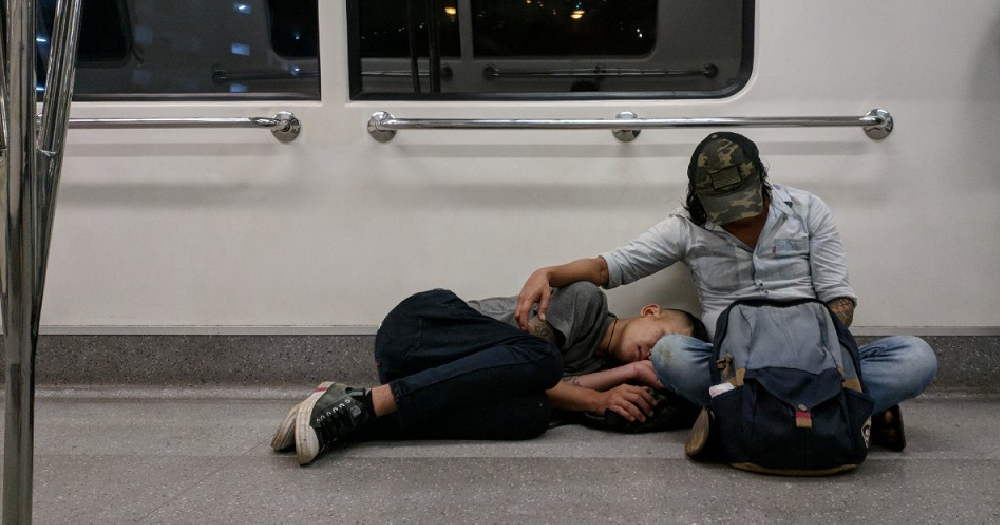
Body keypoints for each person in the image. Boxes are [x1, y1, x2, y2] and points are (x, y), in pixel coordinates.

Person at [515, 131, 937, 452]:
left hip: (814, 353)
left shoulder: (808, 211)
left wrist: (819, 348)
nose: (735, 222)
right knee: (668, 356)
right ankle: (845, 411)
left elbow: (838, 298)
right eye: (724, 214)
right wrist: (549, 273)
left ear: (761, 181)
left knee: (917, 357)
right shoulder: (687, 227)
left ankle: (742, 416)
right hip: (737, 361)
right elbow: (611, 266)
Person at [274, 282, 707, 465]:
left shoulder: (605, 369)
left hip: (430, 377)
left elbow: (541, 391)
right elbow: (534, 366)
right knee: (541, 361)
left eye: (661, 360)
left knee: (532, 415)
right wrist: (598, 395)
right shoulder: (588, 302)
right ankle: (369, 403)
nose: (655, 354)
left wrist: (626, 376)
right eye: (663, 339)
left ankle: (344, 416)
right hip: (424, 328)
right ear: (650, 311)